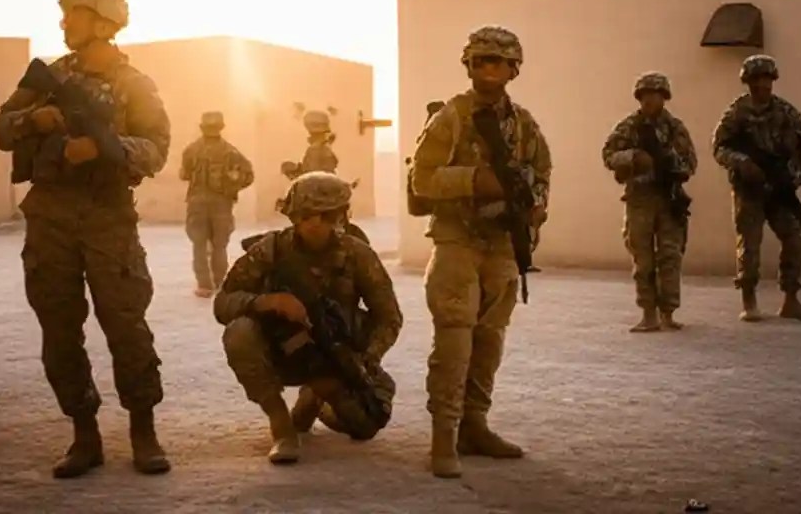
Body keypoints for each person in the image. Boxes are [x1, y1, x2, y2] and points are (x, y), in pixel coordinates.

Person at [0, 0, 173, 478]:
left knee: (125, 325)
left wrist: (103, 147)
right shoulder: (46, 77)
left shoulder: (135, 85)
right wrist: (37, 120)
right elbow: (1, 129)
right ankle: (84, 434)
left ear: (101, 20)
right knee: (58, 329)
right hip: (50, 215)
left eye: (72, 12)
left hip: (108, 216)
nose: (63, 21)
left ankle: (143, 430)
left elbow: (157, 148)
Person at [406, 25, 552, 478]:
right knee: (455, 338)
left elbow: (541, 171)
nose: (489, 69)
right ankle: (443, 439)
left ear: (514, 69)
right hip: (457, 241)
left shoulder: (524, 124)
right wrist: (474, 180)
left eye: (499, 61)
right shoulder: (452, 116)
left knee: (488, 341)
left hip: (502, 244)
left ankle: (475, 425)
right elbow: (422, 181)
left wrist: (536, 209)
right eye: (481, 61)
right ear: (468, 66)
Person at [214, 172, 402, 464]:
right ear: (293, 215)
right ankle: (280, 423)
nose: (315, 223)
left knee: (365, 424)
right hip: (280, 348)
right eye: (307, 214)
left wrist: (364, 361)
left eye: (326, 215)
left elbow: (388, 318)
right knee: (239, 332)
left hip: (332, 351)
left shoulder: (358, 255)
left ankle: (314, 398)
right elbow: (223, 303)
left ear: (341, 216)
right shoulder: (271, 250)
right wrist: (267, 301)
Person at [711, 54, 801, 322]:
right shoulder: (736, 113)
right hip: (750, 187)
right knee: (749, 244)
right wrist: (742, 162)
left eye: (767, 79)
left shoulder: (784, 110)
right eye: (757, 80)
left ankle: (790, 300)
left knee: (794, 238)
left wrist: (793, 142)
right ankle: (749, 301)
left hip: (779, 187)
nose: (762, 85)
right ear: (748, 82)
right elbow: (719, 148)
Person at [601, 71, 698, 332]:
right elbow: (609, 154)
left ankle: (668, 311)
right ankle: (648, 312)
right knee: (642, 257)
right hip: (640, 198)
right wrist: (634, 157)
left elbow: (691, 162)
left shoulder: (675, 128)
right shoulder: (630, 127)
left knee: (670, 256)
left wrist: (671, 165)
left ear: (664, 97)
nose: (650, 100)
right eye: (645, 95)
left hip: (669, 198)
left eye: (655, 95)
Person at [179, 111, 254, 297]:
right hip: (221, 203)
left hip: (198, 202)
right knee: (219, 245)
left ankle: (204, 285)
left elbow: (184, 174)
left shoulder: (192, 149)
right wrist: (232, 186)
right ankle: (219, 282)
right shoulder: (231, 152)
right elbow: (248, 176)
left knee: (199, 244)